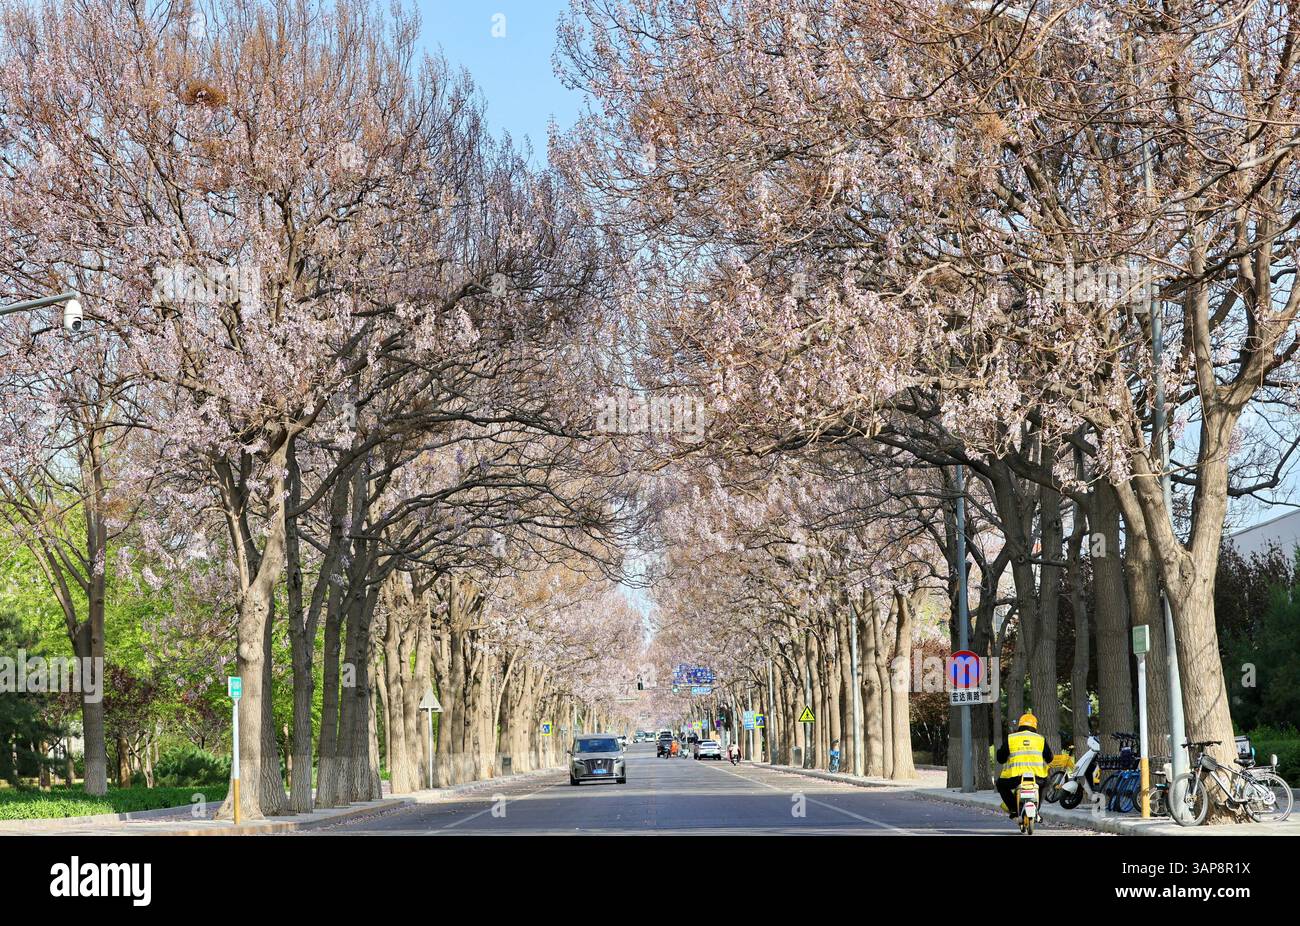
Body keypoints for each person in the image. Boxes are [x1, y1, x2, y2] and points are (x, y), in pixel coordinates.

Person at [996, 712, 1053, 819]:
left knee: (1000, 785)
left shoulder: (1011, 738)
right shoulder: (1040, 739)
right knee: (1046, 784)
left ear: (1020, 725)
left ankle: (1013, 808)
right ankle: (1036, 810)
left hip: (1014, 778)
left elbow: (1001, 758)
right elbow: (1049, 758)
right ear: (1035, 726)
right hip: (1037, 778)